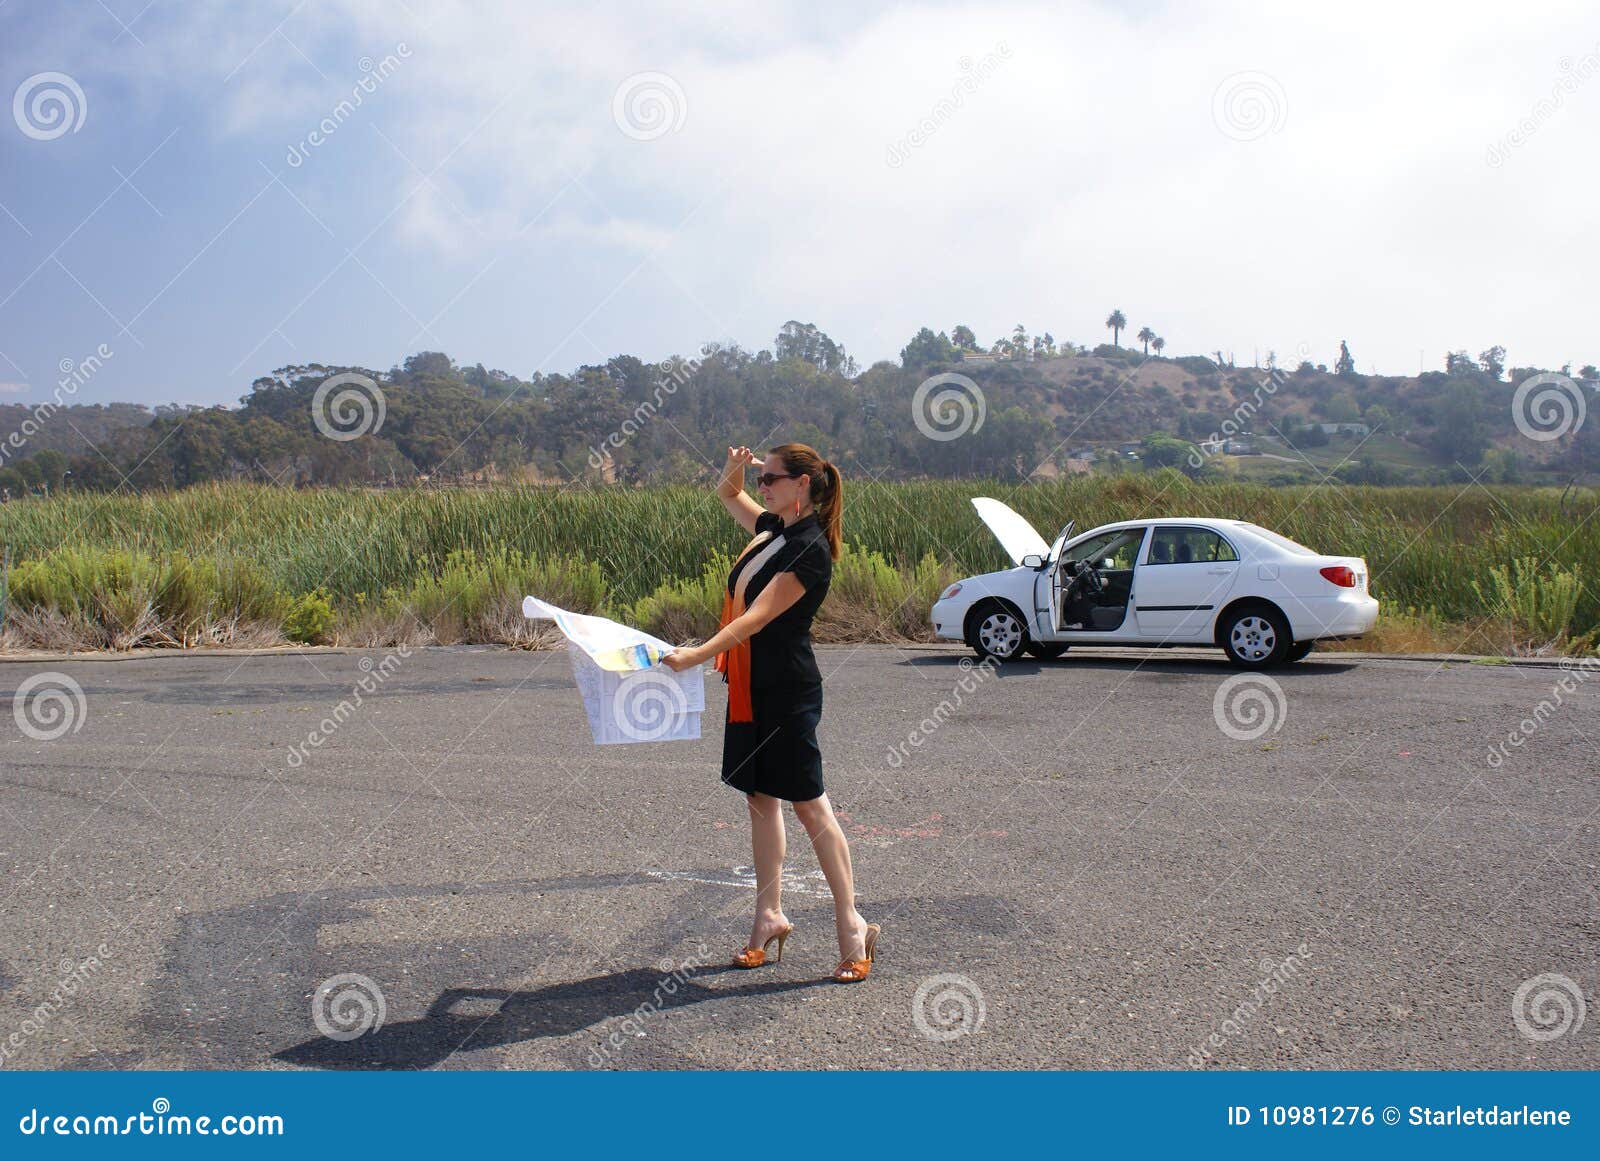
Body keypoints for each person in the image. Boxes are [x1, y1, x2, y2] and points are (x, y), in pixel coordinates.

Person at [661, 443, 880, 983]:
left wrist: (695, 655)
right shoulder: (772, 530)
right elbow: (726, 492)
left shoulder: (809, 549)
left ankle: (853, 926)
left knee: (810, 806)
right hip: (749, 688)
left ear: (802, 483)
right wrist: (740, 464)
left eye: (772, 480)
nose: (762, 488)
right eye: (763, 480)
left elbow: (757, 617)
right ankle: (768, 916)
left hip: (786, 690)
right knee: (760, 800)